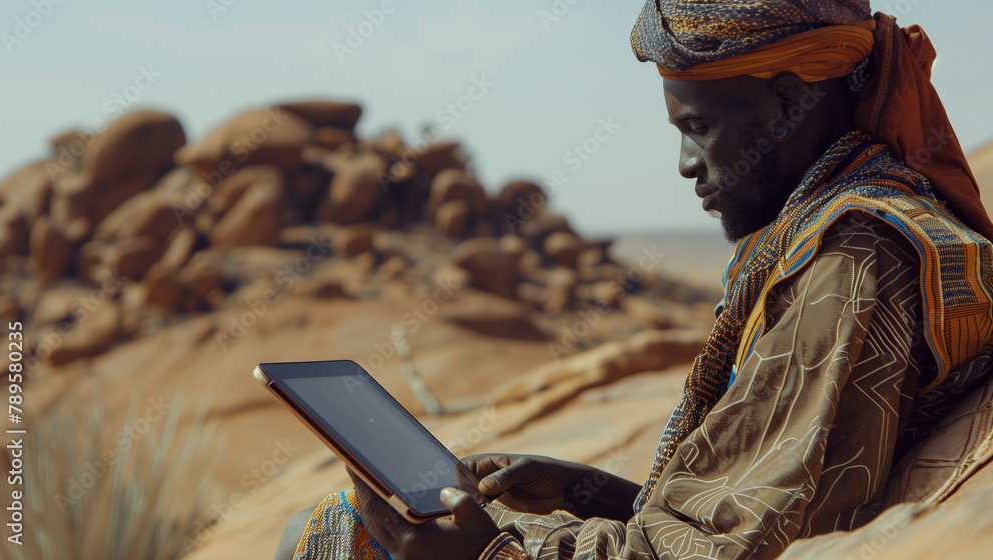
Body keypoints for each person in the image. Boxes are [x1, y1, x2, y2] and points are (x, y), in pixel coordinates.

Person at [275, 1, 993, 558]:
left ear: (782, 105)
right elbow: (769, 506)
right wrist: (593, 492)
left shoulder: (851, 257)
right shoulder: (863, 217)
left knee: (337, 535)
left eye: (698, 127)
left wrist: (487, 552)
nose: (685, 163)